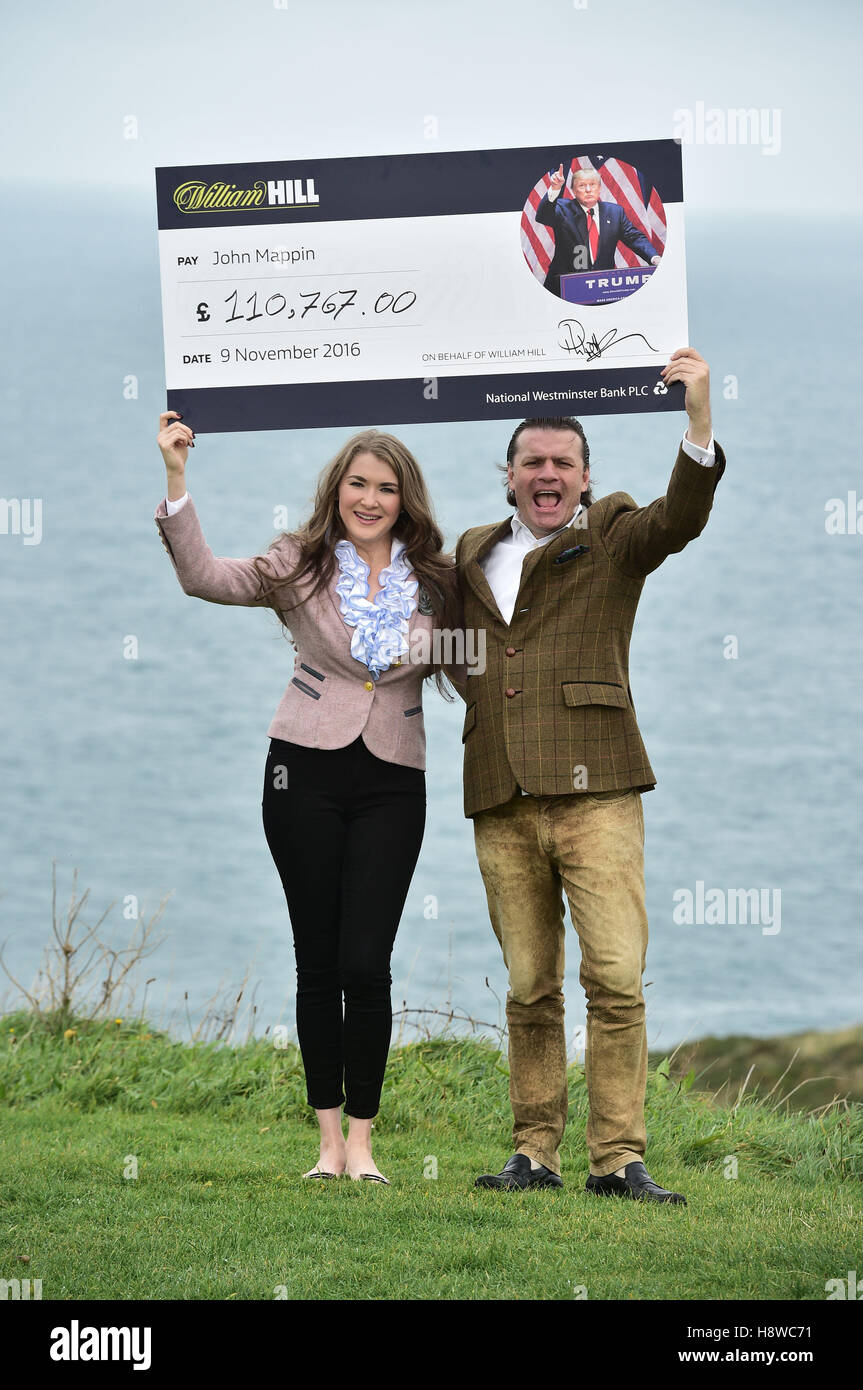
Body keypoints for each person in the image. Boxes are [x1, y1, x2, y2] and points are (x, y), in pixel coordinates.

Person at [154, 415, 460, 1185]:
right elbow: (204, 578)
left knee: (369, 961)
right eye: (358, 482)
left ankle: (365, 1143)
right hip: (301, 773)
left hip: (394, 775)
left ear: (405, 499)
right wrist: (177, 478)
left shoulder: (439, 576)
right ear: (337, 488)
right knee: (317, 962)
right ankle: (328, 1146)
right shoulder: (299, 562)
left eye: (386, 487)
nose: (370, 497)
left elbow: (472, 656)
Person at [455, 348, 724, 1201]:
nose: (546, 474)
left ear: (582, 477)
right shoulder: (467, 554)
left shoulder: (611, 533)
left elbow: (677, 520)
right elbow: (440, 646)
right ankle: (534, 1155)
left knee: (613, 978)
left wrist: (697, 420)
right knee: (529, 987)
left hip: (598, 792)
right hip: (499, 795)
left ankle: (618, 1161)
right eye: (531, 462)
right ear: (507, 478)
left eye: (561, 463)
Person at [535, 165, 661, 295]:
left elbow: (634, 238)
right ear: (573, 190)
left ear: (599, 188)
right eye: (582, 186)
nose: (588, 190)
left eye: (592, 185)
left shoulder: (615, 212)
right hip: (563, 287)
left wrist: (654, 257)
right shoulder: (563, 208)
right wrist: (555, 189)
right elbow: (543, 216)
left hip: (601, 288)